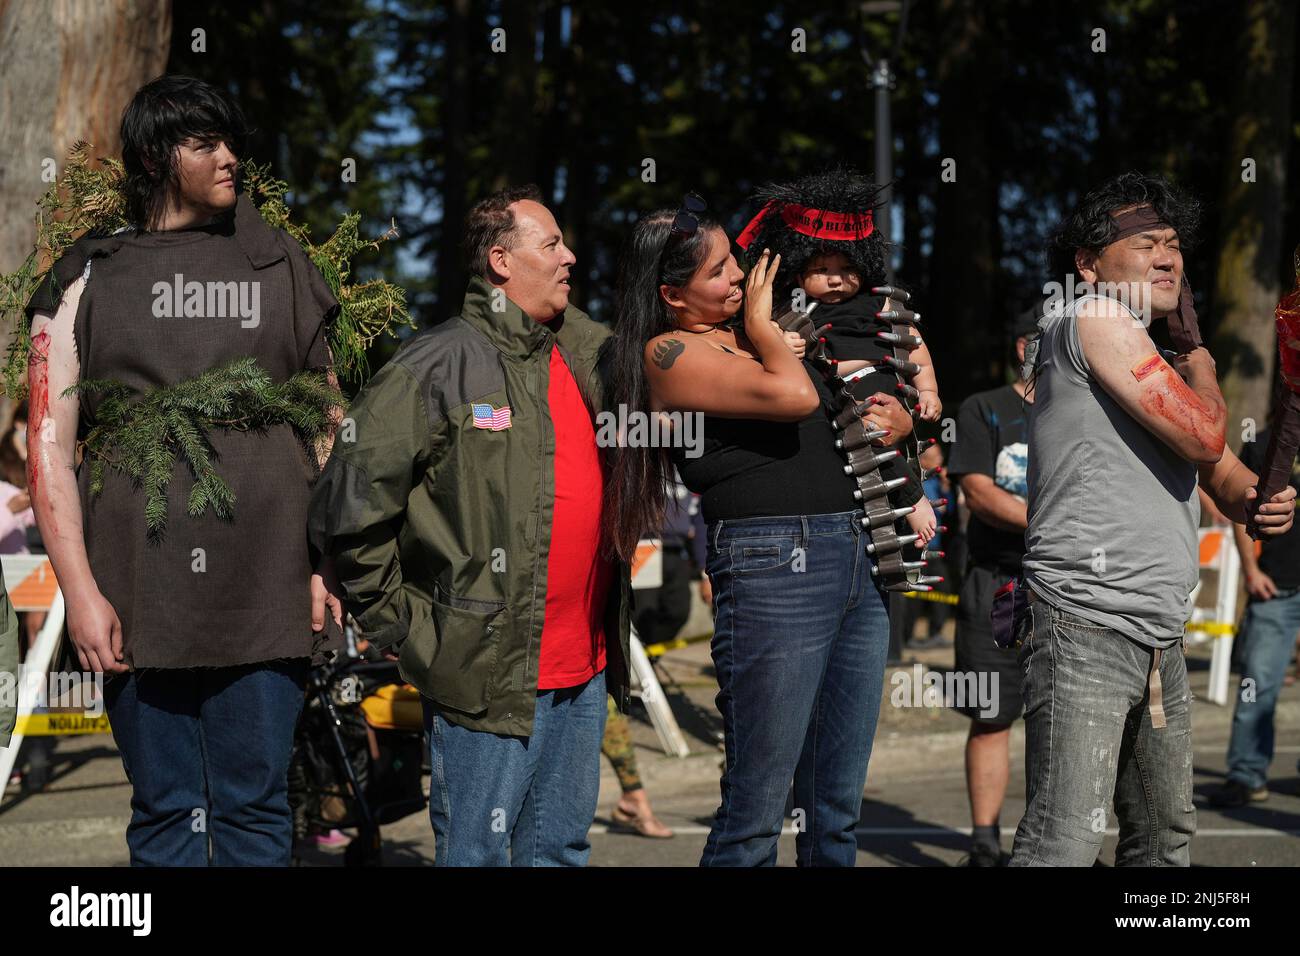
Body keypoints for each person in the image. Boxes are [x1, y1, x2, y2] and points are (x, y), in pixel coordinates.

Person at [24, 75, 344, 866]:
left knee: (256, 811)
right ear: (156, 157)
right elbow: (48, 446)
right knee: (166, 814)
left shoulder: (280, 264)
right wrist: (82, 593)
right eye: (206, 144)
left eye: (232, 141)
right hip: (138, 589)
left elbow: (331, 426)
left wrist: (327, 567)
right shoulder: (86, 277)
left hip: (268, 584)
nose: (230, 158)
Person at [310, 185, 632, 867]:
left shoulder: (580, 359)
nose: (570, 257)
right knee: (474, 854)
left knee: (559, 851)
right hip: (484, 677)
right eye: (551, 244)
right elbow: (353, 499)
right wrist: (410, 628)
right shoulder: (437, 365)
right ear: (500, 261)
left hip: (584, 672)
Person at [604, 194, 915, 866]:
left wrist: (903, 419)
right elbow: (794, 397)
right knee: (757, 809)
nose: (742, 278)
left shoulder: (763, 327)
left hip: (859, 544)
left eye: (735, 261)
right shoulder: (668, 351)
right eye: (719, 271)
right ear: (672, 294)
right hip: (774, 558)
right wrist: (766, 329)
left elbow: (866, 391)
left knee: (835, 807)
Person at [1011, 172, 1296, 866]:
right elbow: (1202, 434)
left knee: (1164, 839)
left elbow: (1220, 474)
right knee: (1064, 840)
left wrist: (1264, 498)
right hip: (1086, 617)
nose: (1168, 258)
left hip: (1159, 629)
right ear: (1088, 264)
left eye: (1173, 245)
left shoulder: (1145, 352)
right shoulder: (1093, 318)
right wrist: (1202, 366)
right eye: (1144, 245)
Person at [737, 170, 939, 545]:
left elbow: (915, 346)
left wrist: (928, 392)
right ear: (799, 276)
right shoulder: (789, 311)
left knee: (874, 430)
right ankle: (906, 503)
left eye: (847, 270)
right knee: (856, 437)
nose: (836, 279)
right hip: (828, 392)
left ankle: (912, 499)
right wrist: (787, 346)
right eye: (822, 270)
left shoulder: (879, 302)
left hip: (877, 380)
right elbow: (772, 348)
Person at [945, 306, 1038, 866]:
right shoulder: (985, 408)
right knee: (991, 714)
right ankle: (984, 845)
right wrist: (1055, 524)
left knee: (1065, 724)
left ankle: (1055, 846)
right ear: (1027, 349)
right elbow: (978, 492)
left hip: (1071, 587)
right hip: (1002, 585)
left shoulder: (1090, 412)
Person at [1209, 427, 1300, 807]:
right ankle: (1246, 774)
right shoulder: (1264, 443)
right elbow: (1243, 508)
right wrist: (1250, 569)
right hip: (1276, 585)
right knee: (1256, 685)